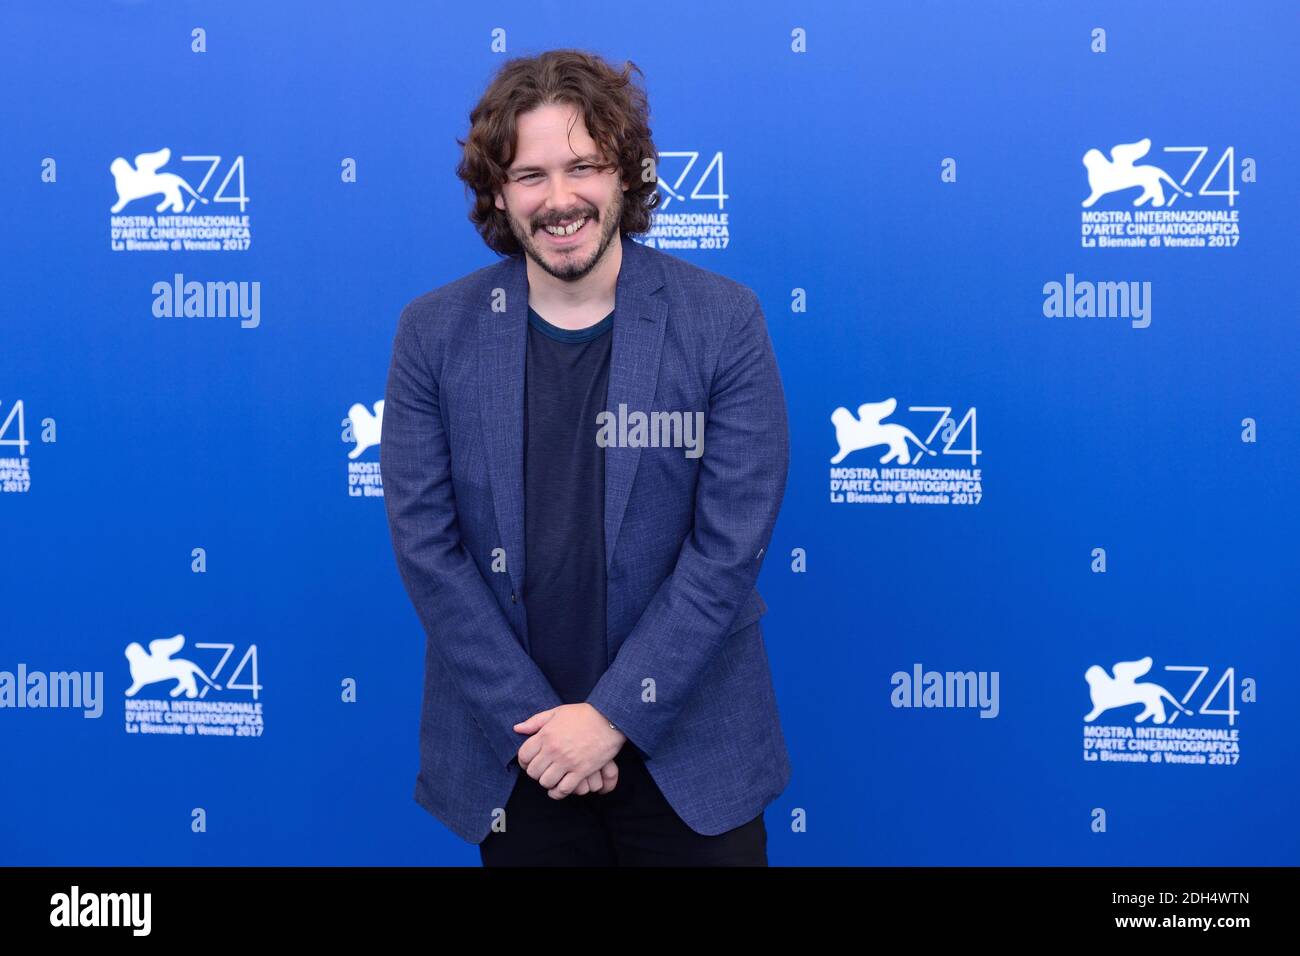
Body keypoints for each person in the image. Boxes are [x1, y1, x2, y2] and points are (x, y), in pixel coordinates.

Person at [381, 49, 791, 866]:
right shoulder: (433, 334)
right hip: (522, 754)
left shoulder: (723, 322)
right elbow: (429, 550)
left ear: (625, 176)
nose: (560, 199)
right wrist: (543, 729)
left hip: (692, 757)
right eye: (530, 174)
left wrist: (608, 721)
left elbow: (727, 549)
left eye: (584, 167)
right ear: (498, 193)